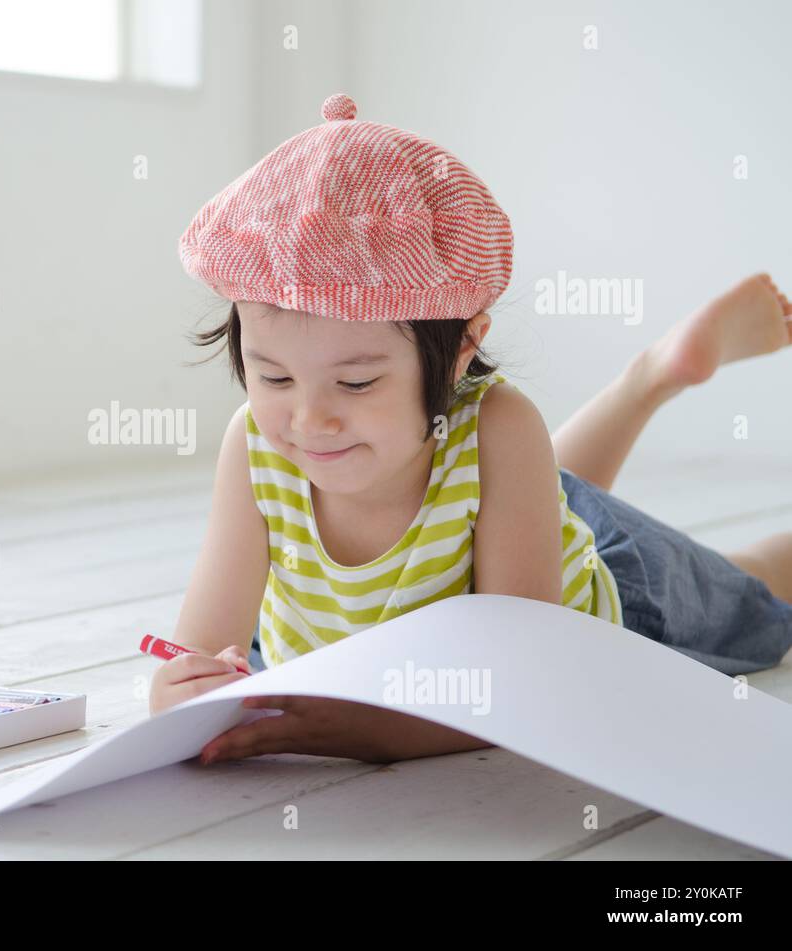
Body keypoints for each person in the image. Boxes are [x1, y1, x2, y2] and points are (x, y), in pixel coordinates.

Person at [149, 94, 792, 767]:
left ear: (462, 349)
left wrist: (383, 730)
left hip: (604, 608)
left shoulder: (502, 426)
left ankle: (652, 377)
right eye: (273, 377)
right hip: (502, 526)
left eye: (358, 383)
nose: (309, 420)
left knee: (758, 592)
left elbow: (521, 680)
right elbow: (196, 653)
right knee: (519, 487)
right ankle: (648, 378)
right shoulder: (253, 443)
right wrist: (180, 691)